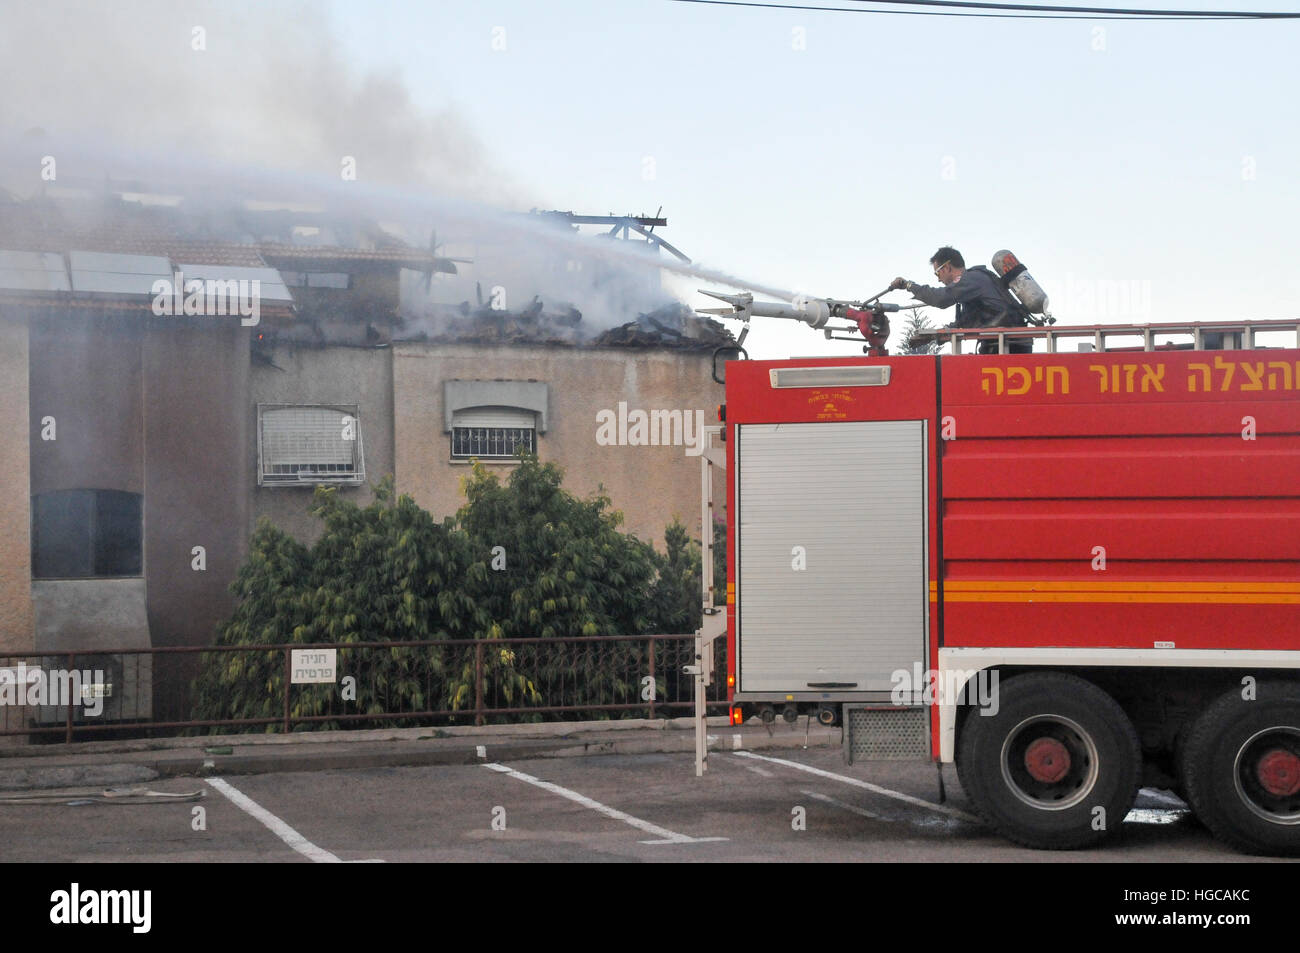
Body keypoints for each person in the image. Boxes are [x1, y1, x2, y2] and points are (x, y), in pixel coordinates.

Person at [889, 247, 1033, 354]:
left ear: (947, 267)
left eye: (937, 272)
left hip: (1006, 347)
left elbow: (941, 298)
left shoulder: (971, 279)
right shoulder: (974, 284)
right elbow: (965, 322)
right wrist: (932, 336)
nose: (938, 279)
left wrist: (908, 285)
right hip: (1008, 345)